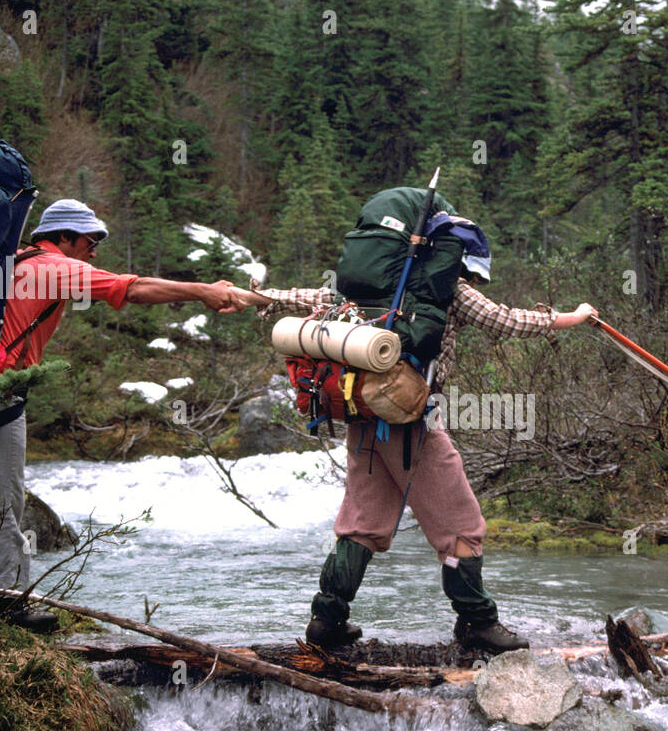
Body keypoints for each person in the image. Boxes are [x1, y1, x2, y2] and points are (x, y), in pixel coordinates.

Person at [254, 247, 597, 653]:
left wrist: (257, 297)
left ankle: (326, 620)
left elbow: (312, 298)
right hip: (412, 421)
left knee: (362, 526)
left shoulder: (370, 283)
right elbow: (505, 320)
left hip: (362, 417)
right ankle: (477, 623)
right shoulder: (448, 288)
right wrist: (574, 316)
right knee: (461, 527)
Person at [0, 198, 253, 629]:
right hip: (0, 393)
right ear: (62, 238)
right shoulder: (53, 267)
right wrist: (202, 291)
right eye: (89, 241)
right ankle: (5, 606)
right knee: (4, 497)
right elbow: (132, 289)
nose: (93, 251)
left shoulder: (16, 262)